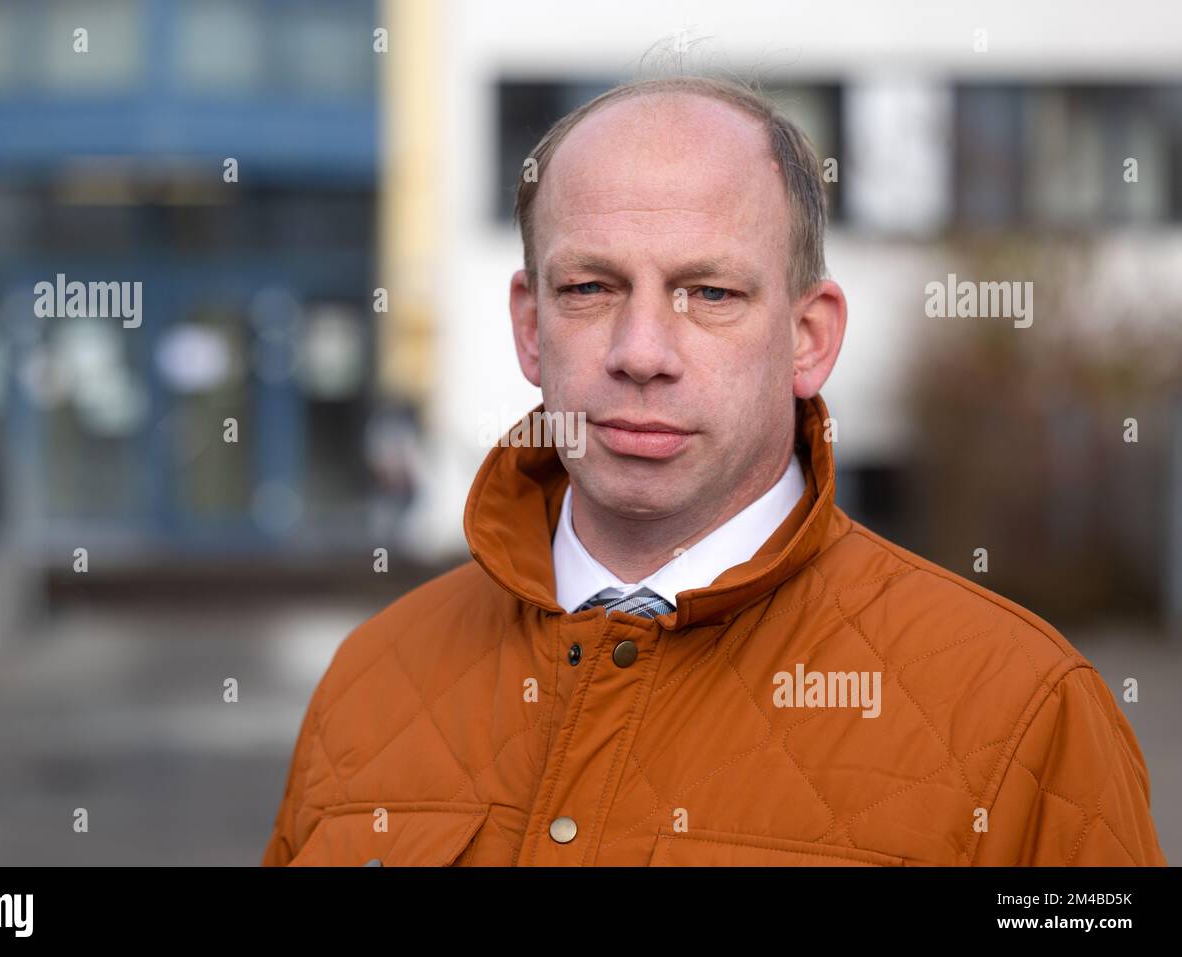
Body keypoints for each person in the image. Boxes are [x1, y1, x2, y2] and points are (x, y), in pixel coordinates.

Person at [262, 73, 1166, 867]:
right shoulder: (373, 678)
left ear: (808, 340)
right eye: (590, 288)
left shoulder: (1024, 713)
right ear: (531, 327)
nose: (642, 351)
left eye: (711, 293)